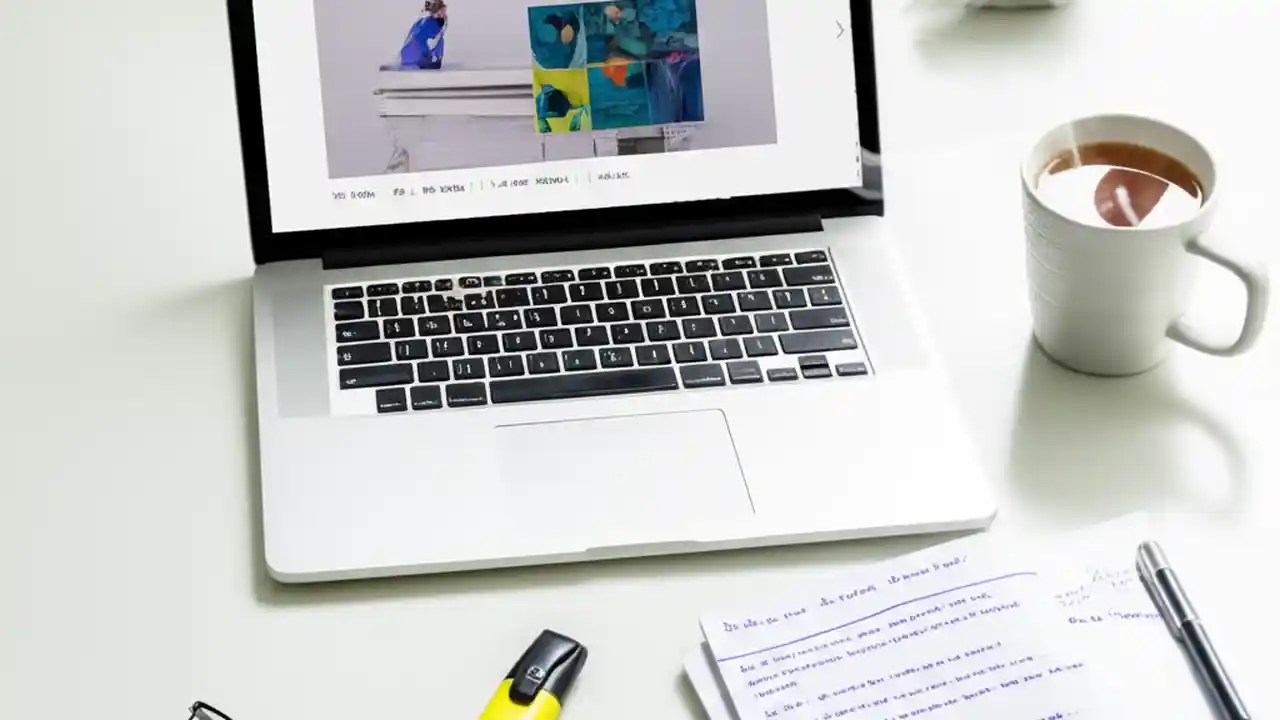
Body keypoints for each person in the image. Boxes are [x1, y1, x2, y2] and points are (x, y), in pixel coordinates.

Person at [399, 0, 448, 69]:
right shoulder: (429, 23)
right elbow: (423, 40)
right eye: (442, 11)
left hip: (411, 56)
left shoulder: (424, 21)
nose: (444, 14)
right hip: (418, 58)